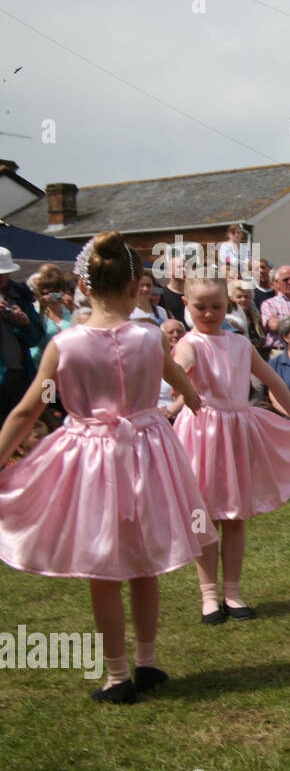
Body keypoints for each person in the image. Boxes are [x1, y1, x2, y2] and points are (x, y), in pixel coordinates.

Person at [0, 231, 213, 702]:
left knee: (105, 569)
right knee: (143, 565)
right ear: (136, 284)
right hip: (148, 452)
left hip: (94, 458)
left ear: (83, 284)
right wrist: (194, 399)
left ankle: (118, 676)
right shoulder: (148, 335)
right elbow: (173, 372)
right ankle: (148, 661)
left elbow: (26, 412)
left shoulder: (67, 344)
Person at [172, 278, 290, 623]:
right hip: (200, 433)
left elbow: (274, 382)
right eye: (200, 307)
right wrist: (173, 404)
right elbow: (176, 373)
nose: (209, 313)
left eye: (217, 306)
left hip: (234, 432)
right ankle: (209, 595)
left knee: (234, 515)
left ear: (227, 304)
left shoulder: (240, 344)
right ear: (187, 306)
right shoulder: (189, 343)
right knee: (203, 515)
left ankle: (232, 591)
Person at [0, 247, 43, 422]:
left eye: (5, 273)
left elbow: (35, 338)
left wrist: (23, 324)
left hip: (18, 374)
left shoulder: (19, 295)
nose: (2, 277)